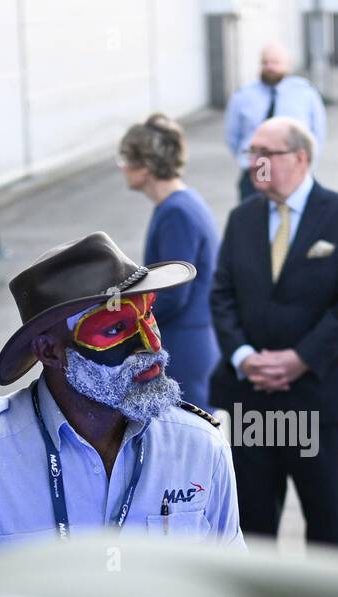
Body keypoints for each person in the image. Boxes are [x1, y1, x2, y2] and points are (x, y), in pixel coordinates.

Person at [0, 232, 244, 569]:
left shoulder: (199, 446)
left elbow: (232, 592)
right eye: (114, 329)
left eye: (148, 316)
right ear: (49, 351)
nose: (150, 345)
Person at [209, 116, 338, 549]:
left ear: (300, 157)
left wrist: (298, 359)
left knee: (326, 529)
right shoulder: (242, 219)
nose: (255, 163)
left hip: (319, 400)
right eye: (251, 153)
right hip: (253, 400)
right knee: (254, 529)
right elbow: (221, 294)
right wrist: (244, 356)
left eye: (266, 153)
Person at [118, 113, 221, 408]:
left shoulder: (176, 213)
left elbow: (173, 293)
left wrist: (125, 324)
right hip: (193, 338)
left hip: (183, 345)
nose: (122, 168)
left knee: (186, 438)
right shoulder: (183, 203)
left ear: (146, 166)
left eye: (126, 159)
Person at [224, 43, 327, 202]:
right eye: (265, 63)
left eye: (276, 63)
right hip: (259, 167)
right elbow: (232, 136)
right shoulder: (244, 95)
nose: (270, 67)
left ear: (288, 65)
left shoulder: (305, 94)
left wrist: (305, 165)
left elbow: (317, 133)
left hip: (292, 168)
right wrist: (249, 160)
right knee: (255, 218)